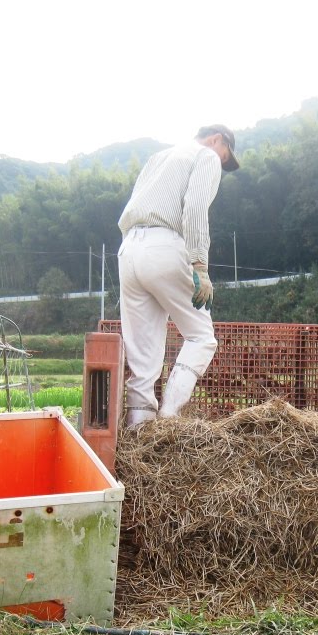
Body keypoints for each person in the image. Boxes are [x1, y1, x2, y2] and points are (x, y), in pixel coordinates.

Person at [116, 125, 240, 427]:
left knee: (143, 355)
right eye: (224, 156)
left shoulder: (157, 158)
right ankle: (169, 418)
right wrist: (200, 265)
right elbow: (195, 208)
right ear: (216, 140)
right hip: (164, 246)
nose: (221, 162)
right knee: (201, 338)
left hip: (128, 250)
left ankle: (139, 430)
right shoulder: (206, 156)